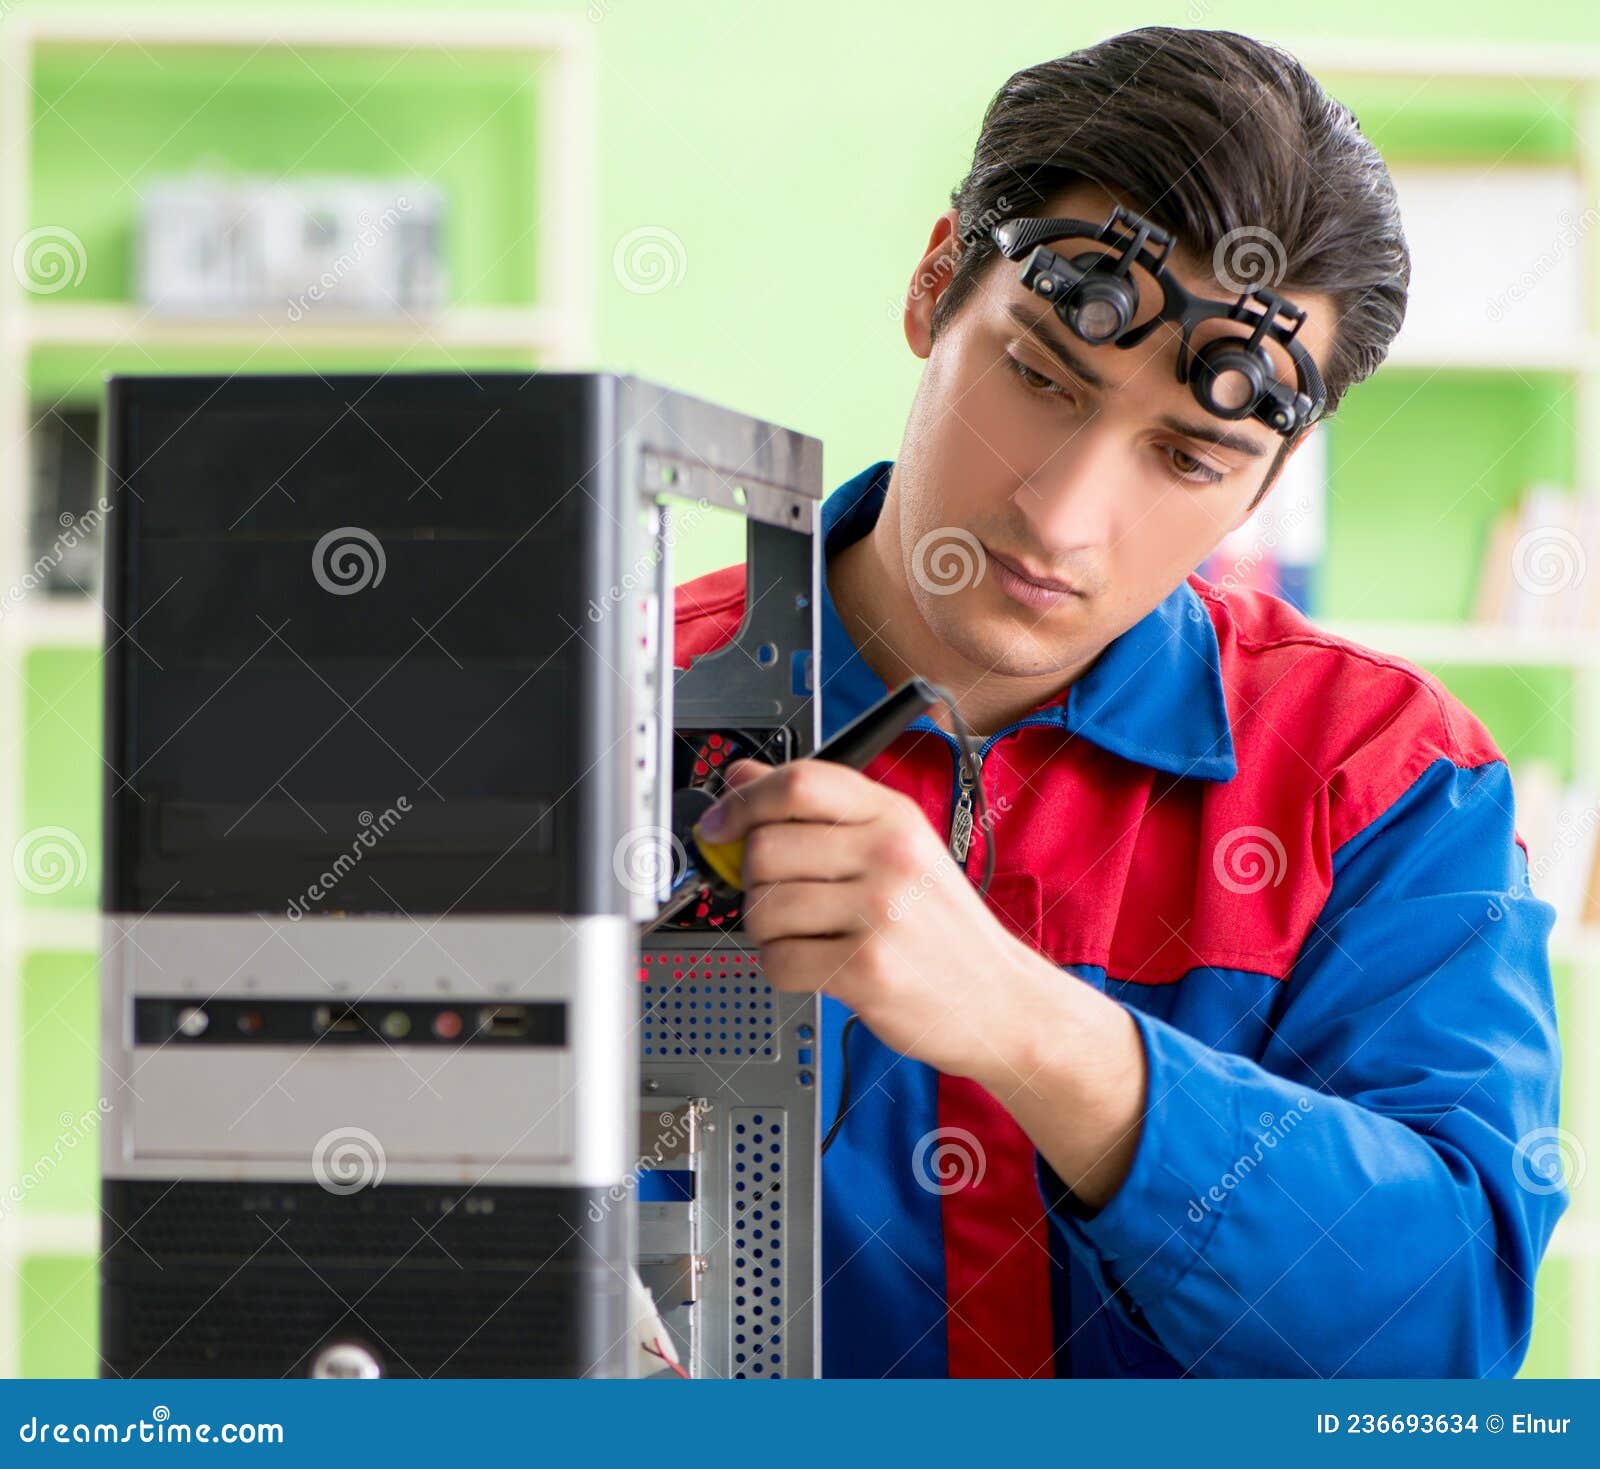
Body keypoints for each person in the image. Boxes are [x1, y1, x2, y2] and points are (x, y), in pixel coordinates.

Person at [673, 26, 1566, 1378]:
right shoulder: (600, 699)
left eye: (1191, 452)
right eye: (1039, 376)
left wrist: (1037, 1033)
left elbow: (1442, 1333)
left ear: (1275, 473)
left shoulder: (1390, 780)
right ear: (933, 285)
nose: (1063, 517)